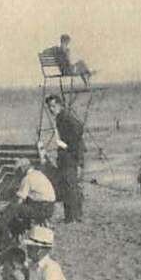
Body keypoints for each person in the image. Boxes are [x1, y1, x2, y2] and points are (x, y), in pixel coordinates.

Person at [45, 95, 84, 223]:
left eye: (53, 106)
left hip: (69, 156)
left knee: (69, 186)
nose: (51, 109)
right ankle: (74, 216)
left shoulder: (65, 116)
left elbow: (78, 129)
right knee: (70, 186)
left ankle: (72, 217)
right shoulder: (61, 117)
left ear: (60, 105)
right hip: (68, 156)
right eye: (49, 107)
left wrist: (67, 145)